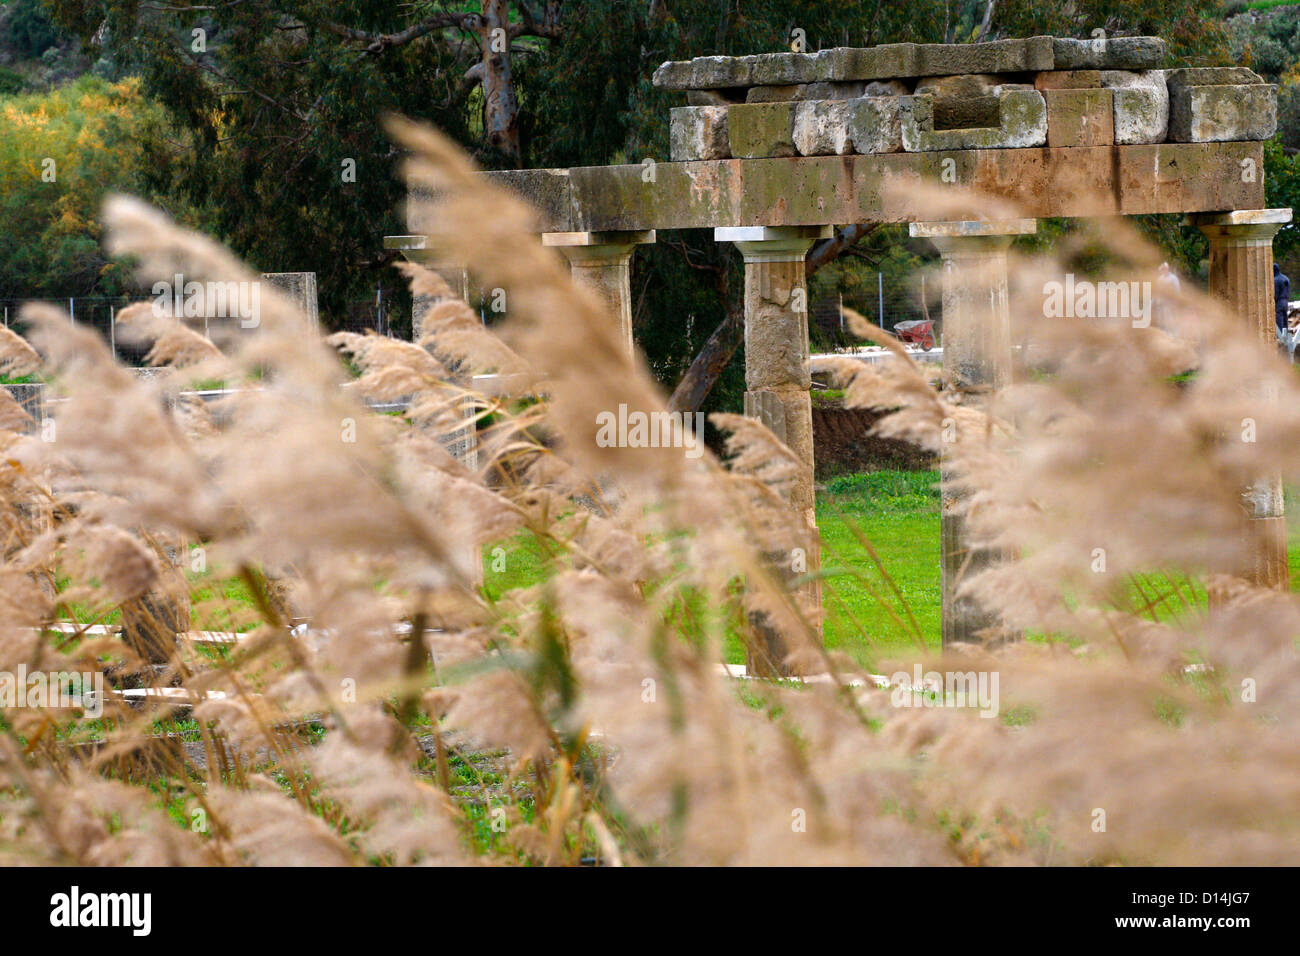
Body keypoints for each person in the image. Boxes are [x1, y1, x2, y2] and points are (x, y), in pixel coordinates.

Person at [1275, 262, 1293, 360]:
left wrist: (1274, 300)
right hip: (1286, 300)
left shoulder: (1276, 280)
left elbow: (1276, 292)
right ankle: (1285, 334)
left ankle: (1281, 337)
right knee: (1285, 318)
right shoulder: (1286, 278)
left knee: (1279, 318)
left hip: (1279, 301)